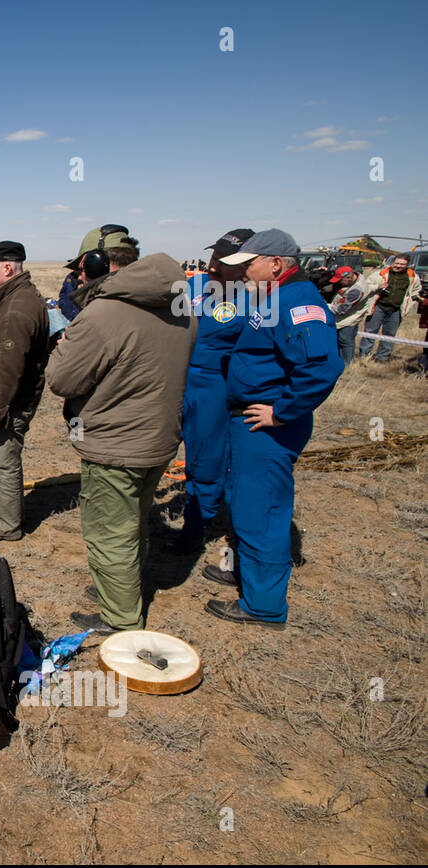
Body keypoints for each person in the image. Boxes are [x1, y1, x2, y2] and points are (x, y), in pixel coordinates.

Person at [45, 238, 195, 634]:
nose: (78, 275)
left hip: (115, 443)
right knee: (134, 519)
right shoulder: (179, 307)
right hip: (159, 439)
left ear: (102, 266)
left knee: (110, 532)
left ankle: (121, 620)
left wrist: (63, 349)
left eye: (82, 268)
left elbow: (62, 379)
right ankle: (120, 590)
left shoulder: (104, 314)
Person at [202, 229, 343, 628]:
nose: (244, 273)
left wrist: (281, 412)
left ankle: (263, 606)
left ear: (276, 264)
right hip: (249, 422)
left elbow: (321, 368)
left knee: (261, 510)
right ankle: (248, 574)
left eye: (249, 264)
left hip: (268, 428)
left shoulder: (297, 302)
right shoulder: (273, 298)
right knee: (246, 502)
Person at [171, 228, 255, 554]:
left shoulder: (254, 299)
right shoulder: (192, 286)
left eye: (226, 262)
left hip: (214, 391)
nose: (215, 266)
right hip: (175, 382)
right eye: (214, 257)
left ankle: (195, 529)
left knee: (205, 462)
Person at [0, 241, 49, 543]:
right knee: (5, 458)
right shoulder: (15, 299)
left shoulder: (17, 308)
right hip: (14, 399)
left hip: (11, 402)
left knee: (1, 461)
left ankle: (4, 525)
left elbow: (7, 368)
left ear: (7, 267)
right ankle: (7, 514)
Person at [357, 254, 421, 363]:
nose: (398, 266)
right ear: (393, 262)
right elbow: (366, 286)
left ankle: (382, 358)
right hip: (378, 306)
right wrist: (379, 287)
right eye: (396, 263)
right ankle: (364, 356)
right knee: (370, 332)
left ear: (407, 265)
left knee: (389, 335)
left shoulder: (412, 276)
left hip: (396, 309)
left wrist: (415, 299)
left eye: (402, 264)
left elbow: (416, 290)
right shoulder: (380, 274)